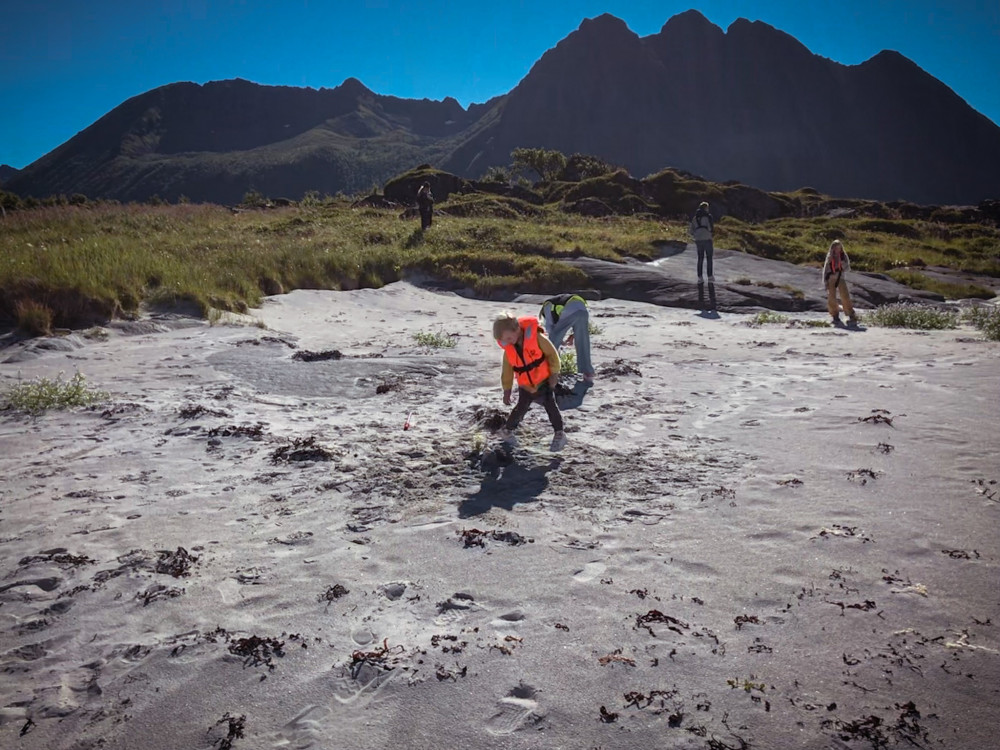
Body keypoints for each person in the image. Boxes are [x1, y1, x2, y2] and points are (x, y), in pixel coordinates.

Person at [493, 312, 567, 452]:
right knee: (521, 408)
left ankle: (559, 434)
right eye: (505, 340)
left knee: (551, 407)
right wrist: (507, 390)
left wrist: (554, 374)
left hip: (543, 381)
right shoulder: (509, 349)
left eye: (509, 338)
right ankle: (507, 431)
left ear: (517, 330)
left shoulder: (537, 338)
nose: (507, 342)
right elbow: (507, 370)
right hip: (525, 385)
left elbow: (552, 354)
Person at [539, 293, 595, 382]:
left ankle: (548, 371)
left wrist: (559, 341)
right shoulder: (555, 302)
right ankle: (588, 373)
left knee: (552, 343)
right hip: (583, 310)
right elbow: (578, 321)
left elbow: (551, 330)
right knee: (583, 341)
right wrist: (573, 336)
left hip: (570, 311)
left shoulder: (547, 307)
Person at [822, 239, 857, 326]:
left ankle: (850, 313)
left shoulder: (843, 256)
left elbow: (848, 268)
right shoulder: (830, 256)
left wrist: (842, 264)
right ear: (833, 248)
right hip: (831, 278)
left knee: (845, 295)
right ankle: (835, 314)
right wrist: (825, 281)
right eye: (836, 248)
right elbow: (825, 269)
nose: (838, 249)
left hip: (840, 277)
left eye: (839, 248)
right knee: (832, 297)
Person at [689, 201, 715, 282]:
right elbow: (711, 228)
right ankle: (710, 276)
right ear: (705, 208)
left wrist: (696, 235)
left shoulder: (695, 218)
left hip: (698, 240)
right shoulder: (708, 217)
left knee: (700, 258)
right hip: (707, 238)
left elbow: (691, 231)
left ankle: (700, 277)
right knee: (709, 258)